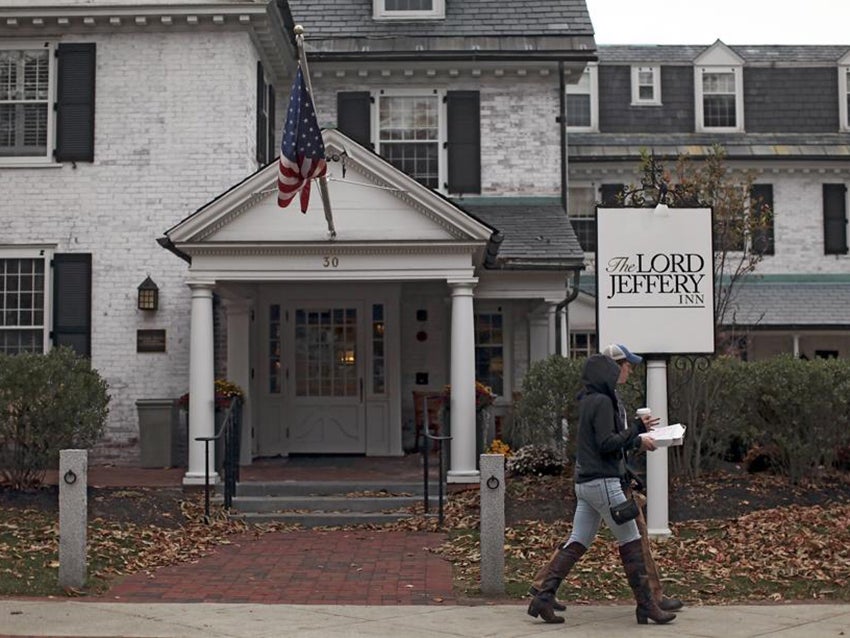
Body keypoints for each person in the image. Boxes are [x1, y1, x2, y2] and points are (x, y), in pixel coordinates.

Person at [526, 344, 676, 625]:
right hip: (604, 483)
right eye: (619, 367)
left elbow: (601, 441)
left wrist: (633, 433)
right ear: (607, 374)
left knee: (577, 540)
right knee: (631, 541)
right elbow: (607, 443)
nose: (626, 370)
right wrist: (637, 429)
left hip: (585, 483)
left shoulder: (589, 399)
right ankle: (646, 606)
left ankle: (543, 597)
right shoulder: (604, 402)